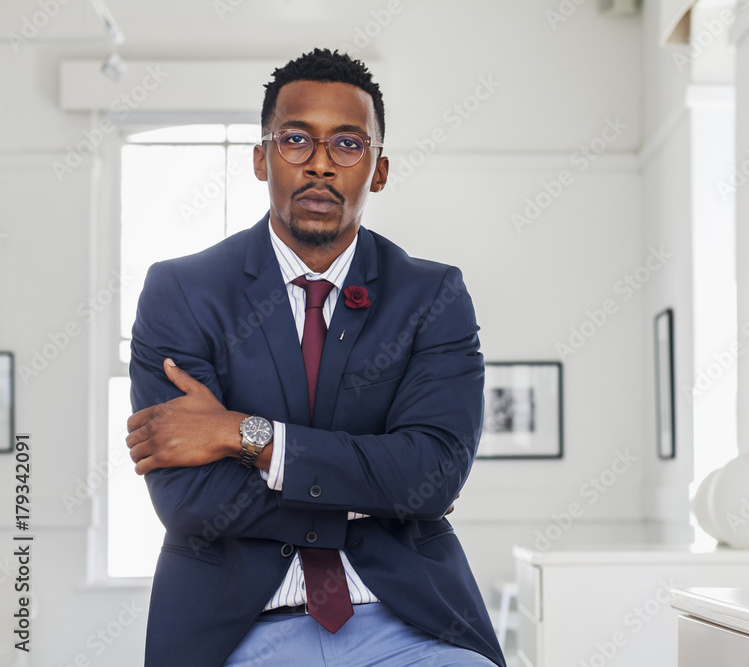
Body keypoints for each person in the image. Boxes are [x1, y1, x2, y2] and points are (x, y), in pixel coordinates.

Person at [125, 48, 504, 667]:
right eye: (296, 139)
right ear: (262, 158)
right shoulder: (183, 293)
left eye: (349, 145)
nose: (321, 165)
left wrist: (242, 435)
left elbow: (433, 473)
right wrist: (378, 491)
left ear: (378, 170)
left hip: (410, 624)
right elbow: (189, 498)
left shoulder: (432, 296)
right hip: (237, 632)